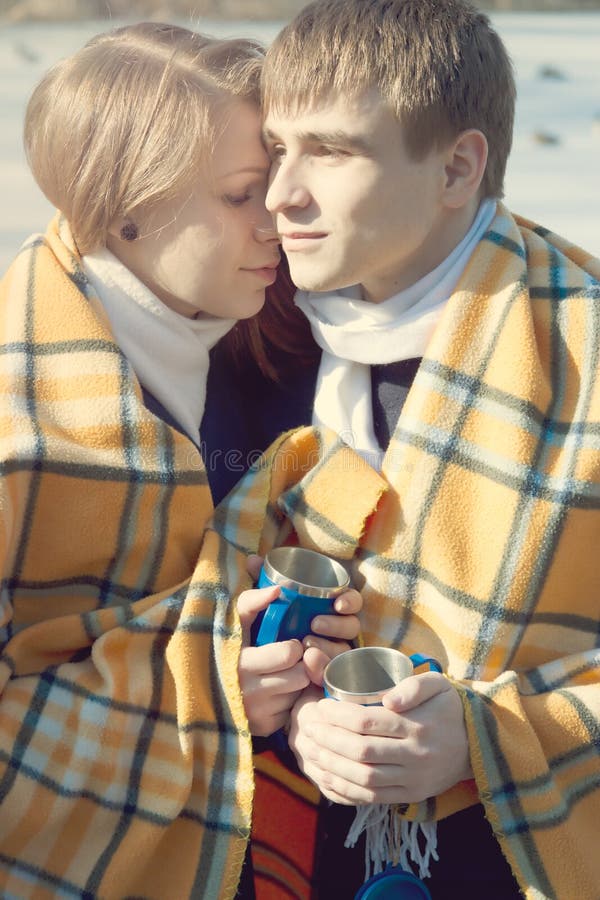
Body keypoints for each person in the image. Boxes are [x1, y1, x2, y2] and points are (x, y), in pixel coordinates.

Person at [231, 1, 600, 897]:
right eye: (278, 147)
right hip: (286, 845)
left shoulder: (581, 356)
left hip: (509, 861)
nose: (283, 193)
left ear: (457, 168)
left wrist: (484, 735)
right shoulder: (255, 332)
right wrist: (259, 694)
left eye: (332, 150)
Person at [0, 22, 361, 897]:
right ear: (128, 208)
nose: (279, 212)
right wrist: (208, 689)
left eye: (279, 176)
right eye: (243, 192)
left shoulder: (274, 334)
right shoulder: (22, 432)